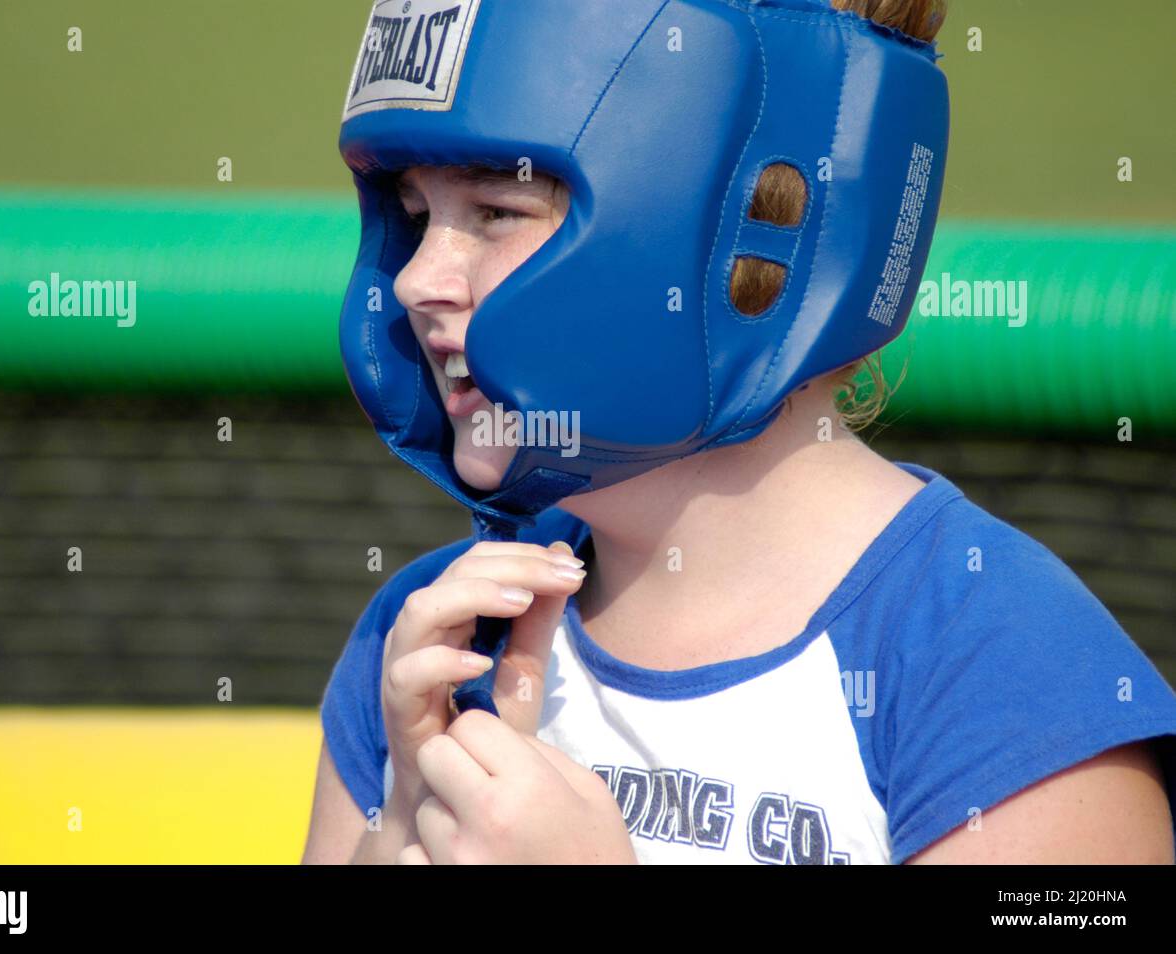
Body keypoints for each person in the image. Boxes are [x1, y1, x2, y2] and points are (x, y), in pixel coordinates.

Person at [304, 0, 1176, 864]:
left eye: (498, 210)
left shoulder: (1009, 681)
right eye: (416, 217)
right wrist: (399, 829)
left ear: (742, 224)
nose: (419, 280)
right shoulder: (431, 643)